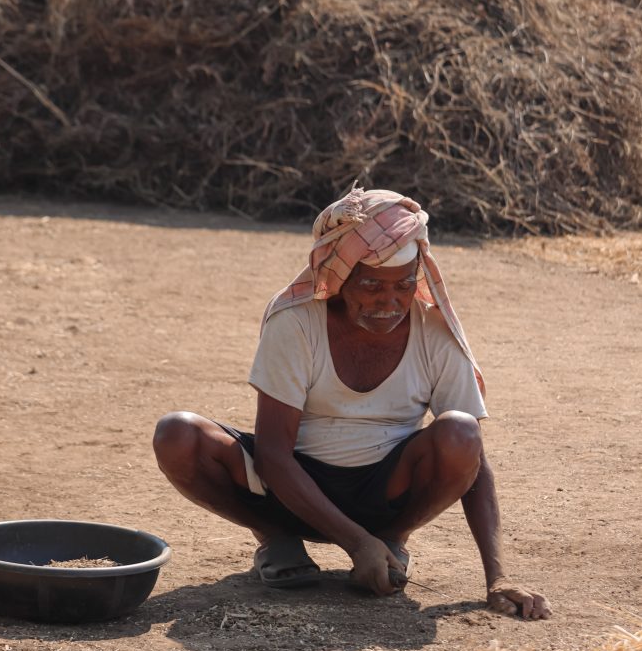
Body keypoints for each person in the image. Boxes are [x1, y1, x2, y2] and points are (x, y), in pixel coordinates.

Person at [153, 188, 551, 619]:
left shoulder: (434, 330)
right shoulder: (296, 321)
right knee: (177, 434)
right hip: (287, 490)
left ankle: (391, 539)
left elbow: (474, 462)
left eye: (403, 286)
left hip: (386, 493)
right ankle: (274, 538)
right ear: (339, 279)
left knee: (461, 432)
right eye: (371, 285)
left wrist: (497, 577)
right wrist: (356, 544)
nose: (390, 302)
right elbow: (271, 454)